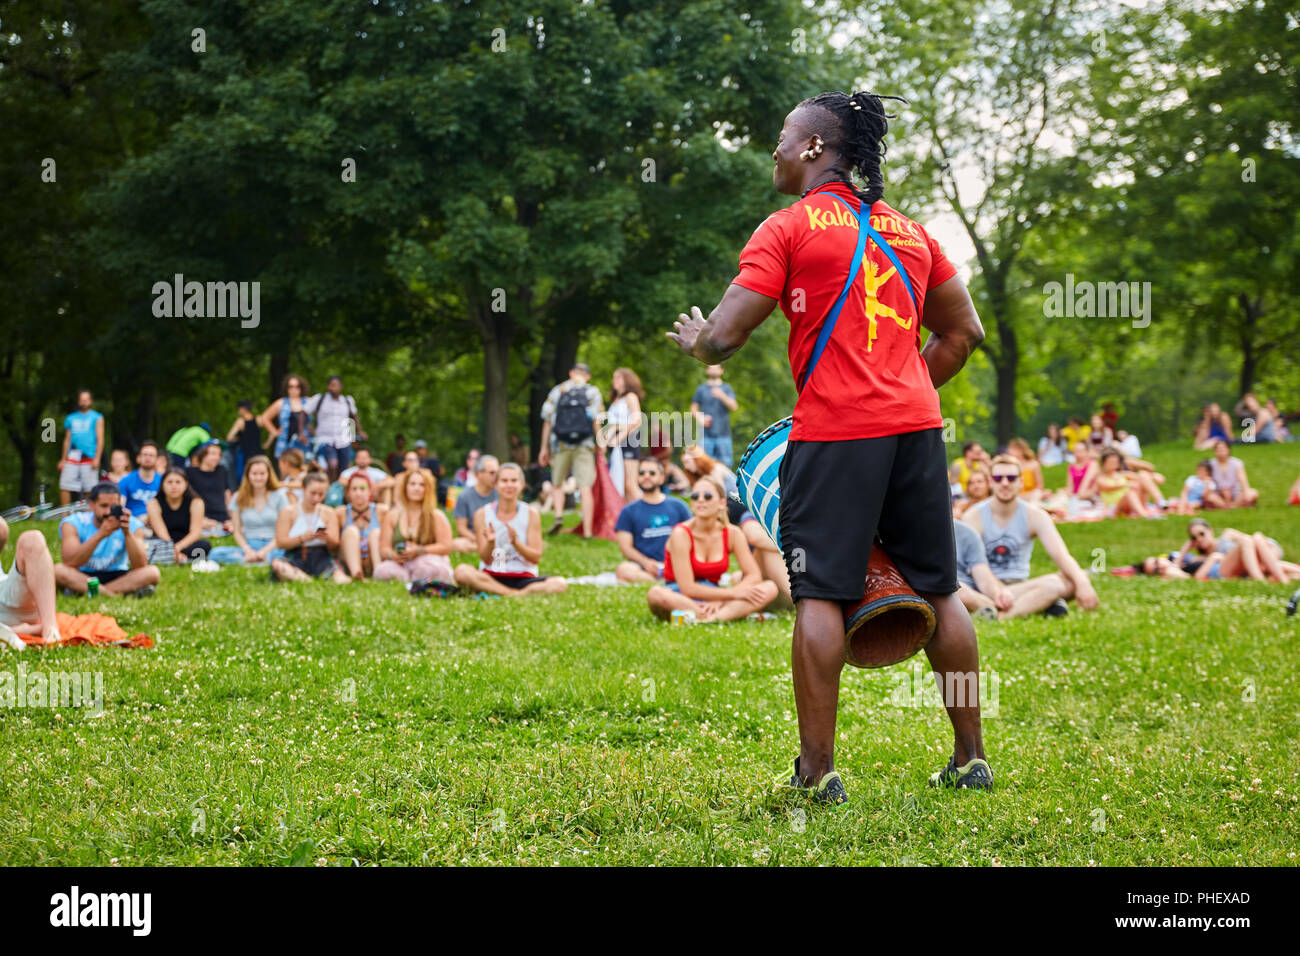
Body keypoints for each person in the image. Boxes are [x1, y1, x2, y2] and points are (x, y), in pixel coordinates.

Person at [666, 89, 993, 800]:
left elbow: (724, 335)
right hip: (916, 430)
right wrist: (904, 381)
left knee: (817, 593)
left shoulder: (786, 227)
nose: (775, 150)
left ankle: (816, 775)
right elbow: (964, 335)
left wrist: (698, 343)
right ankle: (970, 760)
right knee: (942, 589)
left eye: (783, 136)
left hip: (837, 431)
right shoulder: (913, 233)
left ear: (815, 148)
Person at [961, 455, 1100, 617]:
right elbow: (975, 567)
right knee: (958, 589)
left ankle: (998, 613)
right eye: (998, 478)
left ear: (1021, 482)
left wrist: (1083, 583)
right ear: (990, 482)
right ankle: (1033, 605)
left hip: (1019, 585)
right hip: (982, 585)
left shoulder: (1035, 515)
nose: (1005, 483)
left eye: (1011, 478)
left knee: (1072, 579)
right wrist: (997, 592)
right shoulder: (973, 516)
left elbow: (1061, 555)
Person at [645, 475, 780, 623]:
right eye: (695, 496)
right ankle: (722, 615)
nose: (701, 500)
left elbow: (754, 575)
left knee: (770, 587)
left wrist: (724, 597)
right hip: (681, 596)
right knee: (655, 594)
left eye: (708, 496)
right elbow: (687, 587)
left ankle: (708, 619)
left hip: (717, 596)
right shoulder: (681, 534)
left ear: (722, 503)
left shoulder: (732, 533)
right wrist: (730, 594)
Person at [454, 463, 568, 597]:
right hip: (492, 576)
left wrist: (516, 543)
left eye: (514, 481)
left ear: (522, 485)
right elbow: (485, 559)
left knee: (560, 583)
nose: (509, 485)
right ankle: (513, 594)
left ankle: (510, 592)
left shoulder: (531, 514)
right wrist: (491, 543)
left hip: (524, 577)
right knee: (461, 572)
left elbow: (535, 557)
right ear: (495, 484)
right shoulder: (482, 514)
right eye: (504, 481)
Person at [54, 482, 160, 596]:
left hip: (118, 575)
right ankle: (114, 594)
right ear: (92, 505)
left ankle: (91, 592)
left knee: (152, 572)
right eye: (104, 506)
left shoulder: (133, 524)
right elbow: (70, 562)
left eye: (114, 506)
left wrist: (127, 533)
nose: (109, 512)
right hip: (83, 575)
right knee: (58, 570)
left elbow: (139, 565)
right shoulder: (73, 523)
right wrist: (100, 534)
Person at [538, 362, 603, 537]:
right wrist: (600, 443)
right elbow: (596, 419)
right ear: (587, 376)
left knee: (557, 483)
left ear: (570, 373)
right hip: (585, 444)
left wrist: (543, 448)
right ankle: (588, 531)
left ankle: (558, 516)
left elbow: (547, 419)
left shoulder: (559, 390)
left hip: (560, 443)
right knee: (585, 487)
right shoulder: (592, 392)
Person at [614, 458, 693, 582]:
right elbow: (625, 548)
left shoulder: (679, 506)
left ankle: (670, 576)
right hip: (643, 566)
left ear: (661, 478)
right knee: (624, 569)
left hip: (677, 562)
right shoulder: (628, 511)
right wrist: (646, 563)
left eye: (652, 473)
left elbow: (694, 536)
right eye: (642, 473)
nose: (646, 476)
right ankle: (664, 579)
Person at [372, 468, 454, 585]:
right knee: (382, 571)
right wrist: (393, 555)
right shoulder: (393, 515)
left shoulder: (436, 515)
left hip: (428, 560)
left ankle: (419, 584)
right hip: (401, 564)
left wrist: (420, 550)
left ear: (428, 489)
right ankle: (408, 583)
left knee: (427, 568)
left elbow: (446, 546)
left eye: (422, 485)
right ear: (405, 487)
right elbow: (383, 548)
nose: (417, 488)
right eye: (412, 484)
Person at [271, 472, 350, 583]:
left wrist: (327, 538)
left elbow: (335, 546)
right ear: (303, 489)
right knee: (278, 565)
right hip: (296, 555)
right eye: (312, 493)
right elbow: (280, 543)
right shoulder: (288, 512)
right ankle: (302, 578)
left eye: (321, 494)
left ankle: (305, 578)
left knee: (340, 578)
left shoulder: (329, 512)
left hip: (321, 556)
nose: (316, 498)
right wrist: (301, 538)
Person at [209, 456, 289, 565]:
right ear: (248, 475)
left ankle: (257, 560)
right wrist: (248, 551)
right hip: (250, 545)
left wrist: (263, 552)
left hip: (274, 545)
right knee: (215, 553)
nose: (258, 478)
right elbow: (236, 532)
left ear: (269, 475)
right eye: (254, 474)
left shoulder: (280, 495)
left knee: (286, 553)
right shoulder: (238, 497)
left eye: (262, 474)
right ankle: (254, 560)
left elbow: (284, 532)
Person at [0, 516, 62, 648]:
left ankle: (50, 628)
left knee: (32, 539)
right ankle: (12, 630)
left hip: (7, 599)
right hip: (6, 621)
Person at [1177, 518, 1295, 582]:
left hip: (1265, 550)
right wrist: (1184, 550)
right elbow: (1178, 568)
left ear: (1210, 531)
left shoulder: (1227, 535)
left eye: (1202, 534)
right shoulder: (1203, 559)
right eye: (1194, 538)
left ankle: (1265, 578)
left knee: (1256, 537)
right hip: (1254, 564)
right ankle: (1273, 578)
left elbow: (1252, 540)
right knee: (1262, 562)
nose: (1199, 539)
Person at [145, 468, 212, 564]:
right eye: (169, 482)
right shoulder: (153, 503)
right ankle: (178, 558)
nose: (174, 486)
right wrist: (171, 550)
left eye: (178, 482)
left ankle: (174, 558)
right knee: (146, 546)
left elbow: (195, 533)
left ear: (186, 484)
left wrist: (177, 548)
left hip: (186, 543)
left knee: (204, 545)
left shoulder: (196, 502)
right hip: (162, 543)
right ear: (162, 485)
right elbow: (162, 533)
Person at [309, 376, 366, 481]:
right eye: (331, 385)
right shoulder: (320, 400)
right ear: (327, 386)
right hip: (325, 440)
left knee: (344, 469)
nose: (333, 388)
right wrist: (308, 430)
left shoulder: (347, 401)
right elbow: (304, 413)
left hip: (343, 440)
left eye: (336, 385)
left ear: (341, 387)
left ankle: (340, 492)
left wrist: (358, 432)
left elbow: (353, 417)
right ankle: (330, 489)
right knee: (332, 464)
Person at [336, 472, 388, 580]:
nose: (358, 493)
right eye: (354, 489)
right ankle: (357, 574)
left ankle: (379, 573)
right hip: (348, 560)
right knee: (351, 531)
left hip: (372, 558)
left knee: (376, 533)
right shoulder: (341, 512)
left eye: (362, 488)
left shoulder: (381, 511)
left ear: (370, 491)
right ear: (348, 492)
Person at [1079, 449, 1158, 518]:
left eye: (1115, 462)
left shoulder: (1123, 474)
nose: (1113, 464)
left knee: (1142, 476)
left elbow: (1142, 478)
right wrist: (1127, 484)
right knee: (1130, 491)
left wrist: (1148, 476)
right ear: (1104, 463)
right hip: (1116, 507)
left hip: (1130, 504)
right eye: (1110, 462)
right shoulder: (1100, 478)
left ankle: (1160, 501)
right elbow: (1108, 487)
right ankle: (1144, 515)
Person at [59, 390, 105, 505]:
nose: (84, 402)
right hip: (72, 455)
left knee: (90, 486)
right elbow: (67, 439)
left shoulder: (97, 417)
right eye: (82, 399)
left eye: (86, 399)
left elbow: (100, 439)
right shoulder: (70, 418)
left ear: (90, 401)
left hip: (89, 455)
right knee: (65, 484)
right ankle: (65, 514)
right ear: (79, 401)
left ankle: (89, 512)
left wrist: (97, 458)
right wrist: (63, 459)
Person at [606, 368, 645, 502]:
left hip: (629, 440)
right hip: (616, 443)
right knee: (619, 483)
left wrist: (620, 436)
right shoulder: (615, 399)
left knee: (630, 484)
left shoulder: (630, 397)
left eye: (618, 378)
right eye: (614, 378)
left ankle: (645, 511)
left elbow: (637, 419)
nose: (614, 381)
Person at [691, 364, 738, 468]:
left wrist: (722, 396)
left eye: (716, 367)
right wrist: (700, 418)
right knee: (703, 464)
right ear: (706, 370)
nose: (713, 370)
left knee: (725, 465)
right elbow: (693, 409)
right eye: (711, 367)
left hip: (723, 434)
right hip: (705, 435)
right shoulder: (701, 389)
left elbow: (734, 407)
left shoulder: (726, 388)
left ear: (722, 370)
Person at [259, 374, 313, 460]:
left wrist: (315, 431)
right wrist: (275, 432)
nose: (294, 389)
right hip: (285, 444)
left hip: (304, 444)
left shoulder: (308, 401)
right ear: (286, 388)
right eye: (290, 386)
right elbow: (264, 418)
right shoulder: (281, 403)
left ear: (301, 387)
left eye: (297, 386)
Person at [451, 455, 499, 553]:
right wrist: (480, 540)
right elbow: (461, 529)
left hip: (497, 537)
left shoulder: (501, 494)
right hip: (473, 539)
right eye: (492, 473)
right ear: (478, 474)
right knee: (456, 544)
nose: (496, 477)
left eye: (497, 473)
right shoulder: (464, 496)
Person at [185, 441, 233, 534]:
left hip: (222, 517)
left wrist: (232, 517)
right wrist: (198, 518)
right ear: (203, 454)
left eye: (219, 454)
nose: (217, 457)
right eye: (213, 453)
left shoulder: (222, 470)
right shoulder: (190, 472)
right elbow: (186, 498)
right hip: (202, 516)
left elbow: (227, 494)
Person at [116, 441, 163, 518]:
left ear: (157, 459)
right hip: (133, 522)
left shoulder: (163, 481)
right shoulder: (126, 480)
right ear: (138, 458)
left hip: (157, 521)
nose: (148, 458)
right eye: (145, 455)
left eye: (151, 455)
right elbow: (120, 506)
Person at [1209, 439, 1259, 508]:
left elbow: (1243, 479)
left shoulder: (1237, 463)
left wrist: (1246, 491)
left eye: (1222, 449)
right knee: (1210, 497)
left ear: (1228, 450)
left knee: (1253, 493)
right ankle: (1228, 506)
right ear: (1214, 451)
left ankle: (1232, 505)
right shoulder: (1211, 464)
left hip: (1235, 494)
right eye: (1218, 450)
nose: (1220, 452)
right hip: (1218, 494)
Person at [225, 400, 264, 485]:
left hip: (245, 453)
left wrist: (238, 439)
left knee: (244, 475)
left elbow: (229, 437)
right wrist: (266, 444)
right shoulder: (259, 419)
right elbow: (272, 432)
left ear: (242, 409)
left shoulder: (240, 422)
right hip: (258, 452)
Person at [1006, 438, 1046, 502]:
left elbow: (1040, 485)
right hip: (1015, 497)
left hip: (1032, 497)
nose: (1009, 451)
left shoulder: (1033, 464)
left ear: (1021, 450)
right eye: (1010, 449)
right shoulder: (1008, 466)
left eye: (1013, 449)